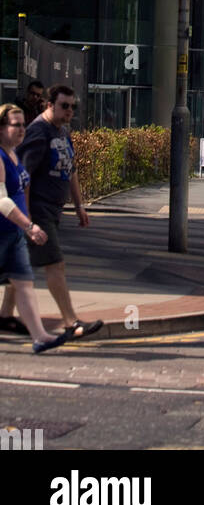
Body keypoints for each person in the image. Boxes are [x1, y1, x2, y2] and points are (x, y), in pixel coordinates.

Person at [16, 84, 102, 339]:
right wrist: (28, 218)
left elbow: (71, 170)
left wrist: (79, 206)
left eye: (72, 107)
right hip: (38, 210)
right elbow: (24, 177)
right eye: (64, 106)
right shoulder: (38, 133)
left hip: (54, 209)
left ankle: (4, 316)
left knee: (18, 268)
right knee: (56, 264)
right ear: (49, 104)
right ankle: (71, 323)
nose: (69, 111)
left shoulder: (62, 132)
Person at [0, 104, 69, 353]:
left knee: (24, 284)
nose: (21, 129)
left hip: (13, 233)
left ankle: (39, 336)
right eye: (15, 125)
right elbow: (2, 200)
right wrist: (29, 224)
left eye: (22, 124)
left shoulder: (14, 155)